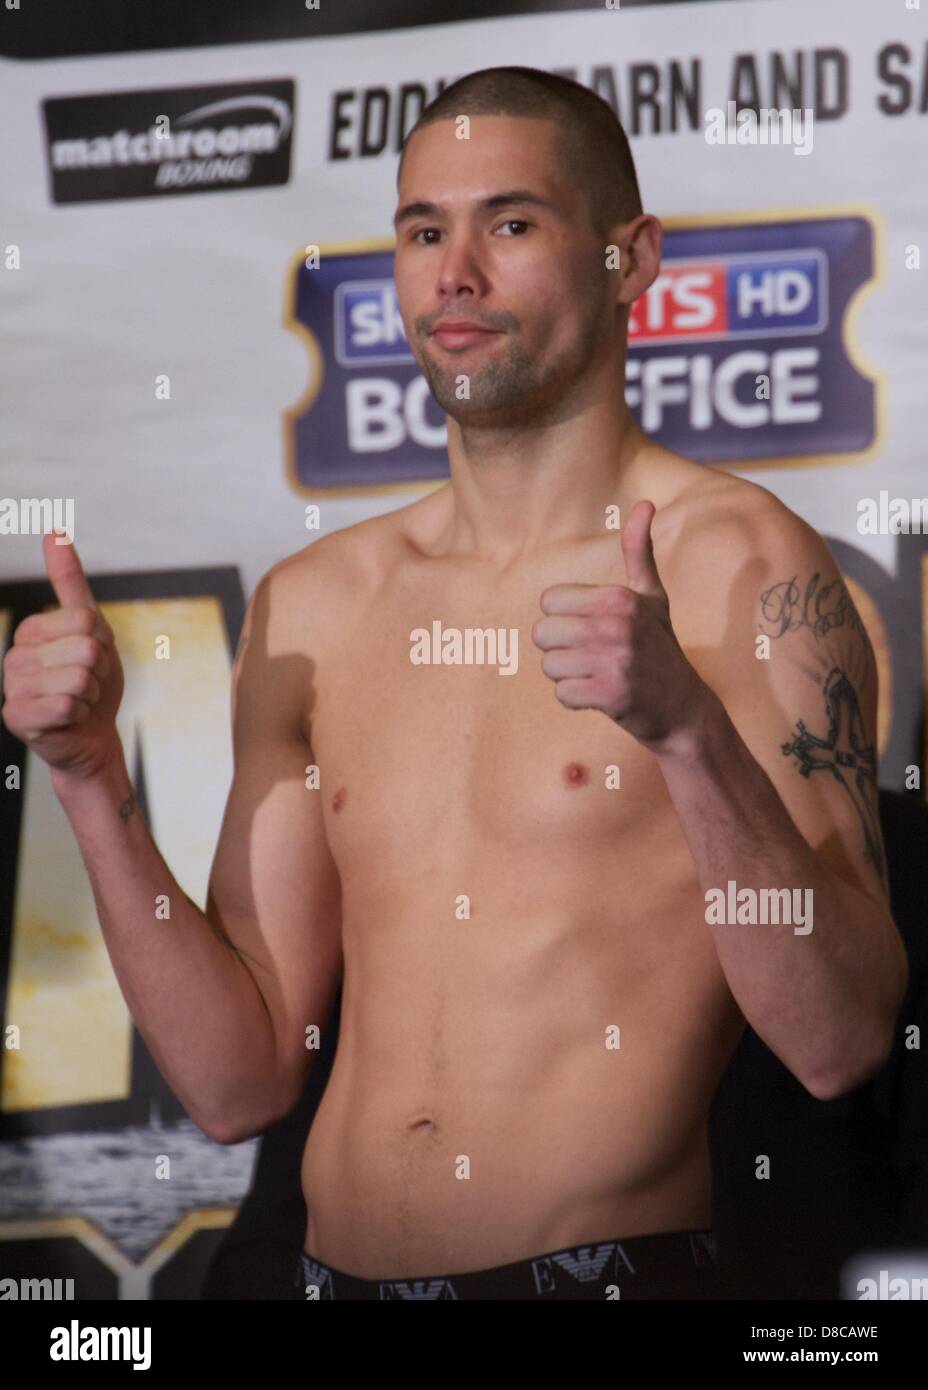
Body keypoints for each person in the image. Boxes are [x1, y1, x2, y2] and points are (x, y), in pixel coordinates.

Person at [1, 66, 908, 1301]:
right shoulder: (318, 601)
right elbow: (237, 1079)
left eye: (512, 222)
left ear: (628, 259)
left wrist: (687, 733)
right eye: (424, 231)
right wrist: (94, 780)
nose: (455, 273)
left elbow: (842, 1038)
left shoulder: (738, 569)